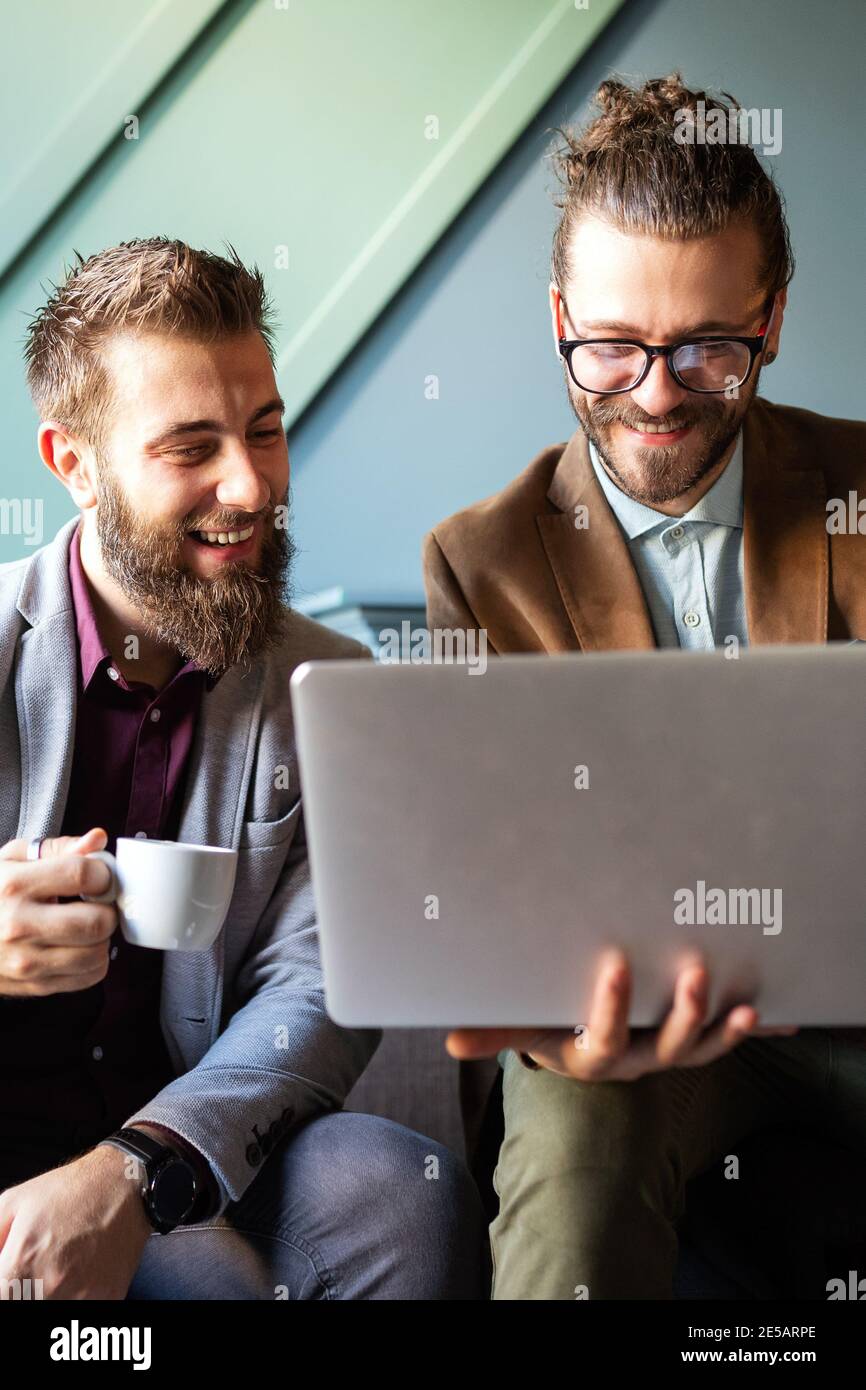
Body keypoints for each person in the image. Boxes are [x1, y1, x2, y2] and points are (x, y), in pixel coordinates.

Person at [422, 74, 866, 1299]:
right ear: (558, 315)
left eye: (706, 347)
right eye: (610, 347)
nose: (656, 392)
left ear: (771, 319)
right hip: (623, 1032)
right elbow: (490, 868)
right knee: (570, 1182)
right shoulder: (483, 561)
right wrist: (532, 1002)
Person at [0, 238, 486, 1300]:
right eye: (191, 446)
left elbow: (319, 990)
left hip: (192, 1156)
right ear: (73, 462)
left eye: (264, 429)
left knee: (397, 1187)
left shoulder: (335, 687)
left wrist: (137, 1168)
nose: (252, 483)